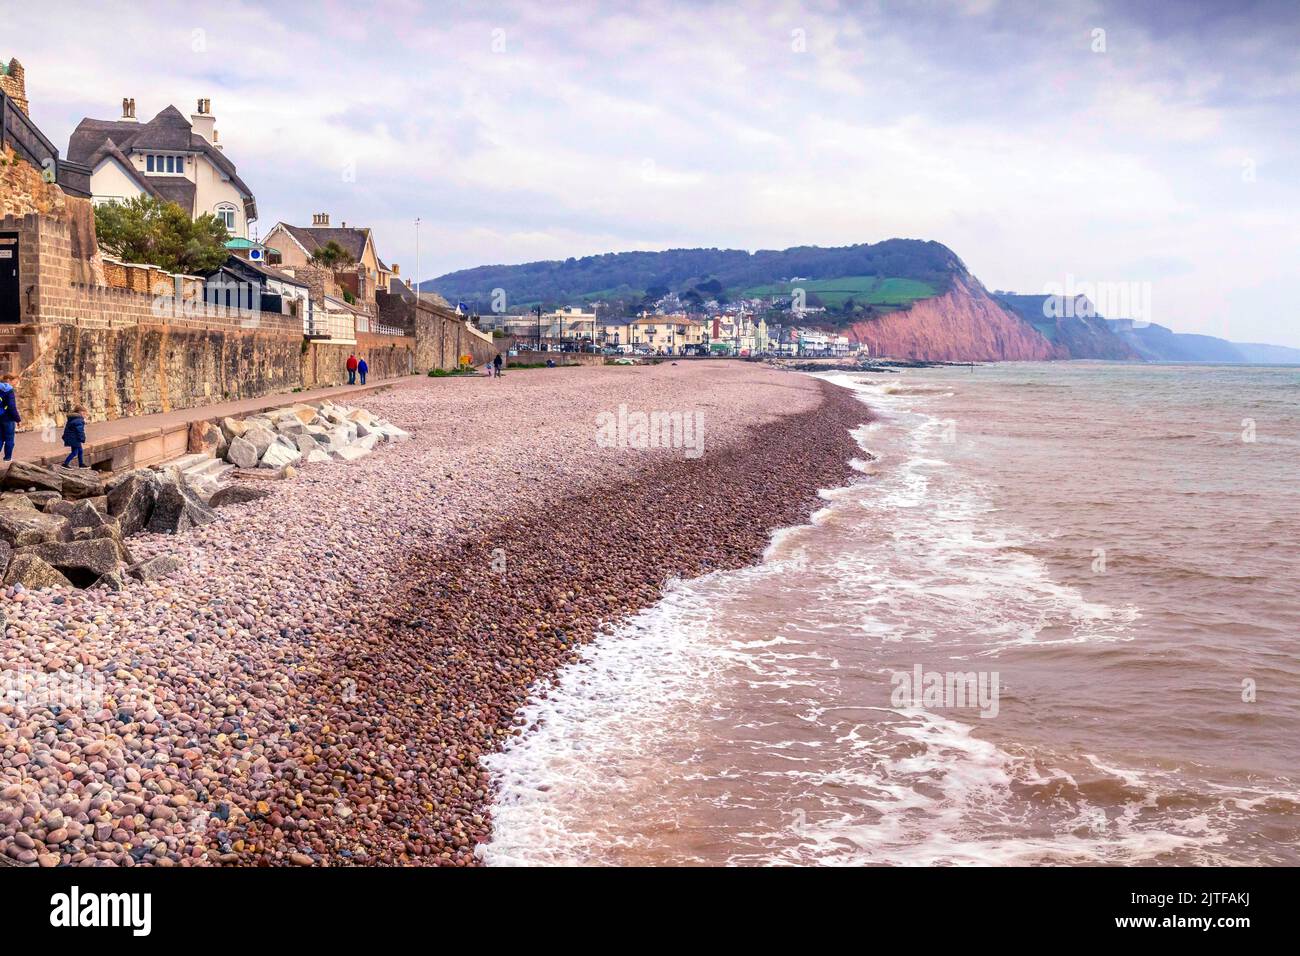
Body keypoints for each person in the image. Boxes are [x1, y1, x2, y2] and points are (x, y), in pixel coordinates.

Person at [0, 374, 20, 462]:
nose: (16, 383)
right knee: (9, 439)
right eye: (15, 381)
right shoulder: (9, 390)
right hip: (8, 418)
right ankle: (7, 458)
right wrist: (18, 419)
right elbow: (12, 407)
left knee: (0, 438)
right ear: (9, 380)